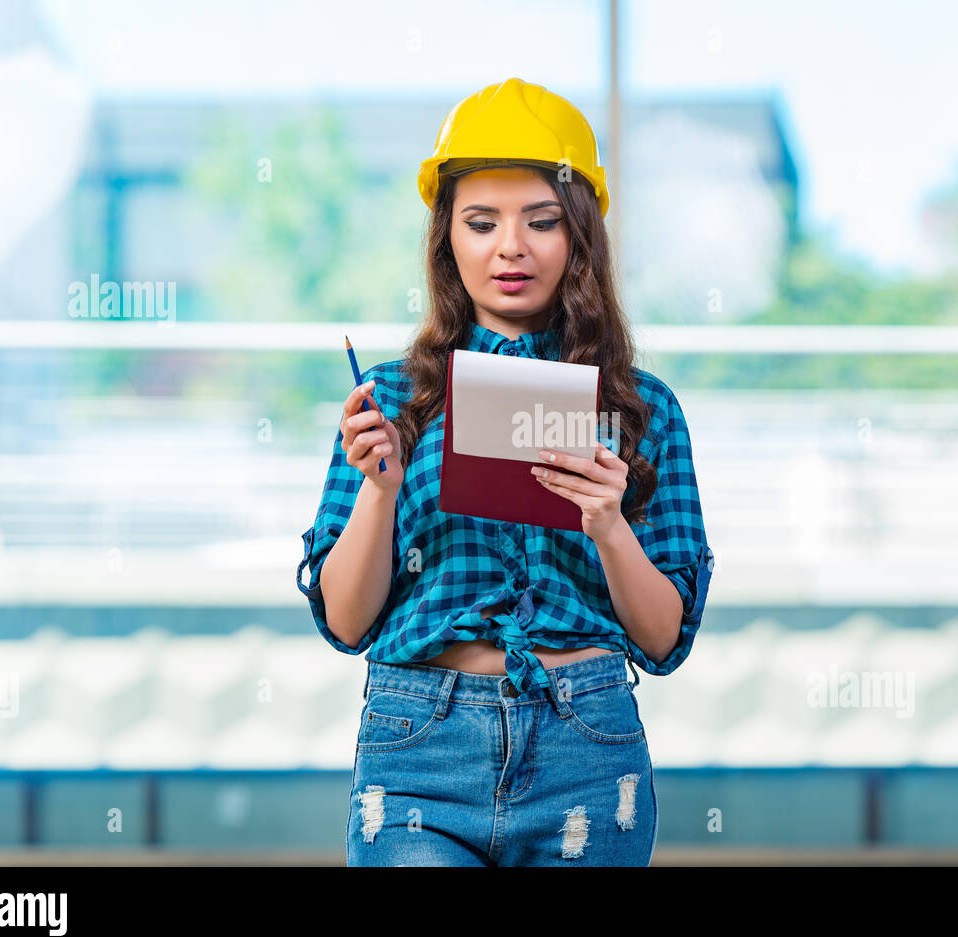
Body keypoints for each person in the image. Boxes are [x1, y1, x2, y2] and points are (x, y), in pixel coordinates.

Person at [296, 77, 714, 866]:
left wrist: (608, 524)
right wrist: (380, 492)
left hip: (585, 747)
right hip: (420, 747)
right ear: (447, 238)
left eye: (542, 222)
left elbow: (662, 641)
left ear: (581, 235)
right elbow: (348, 624)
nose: (509, 247)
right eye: (480, 222)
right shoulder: (391, 400)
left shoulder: (641, 409)